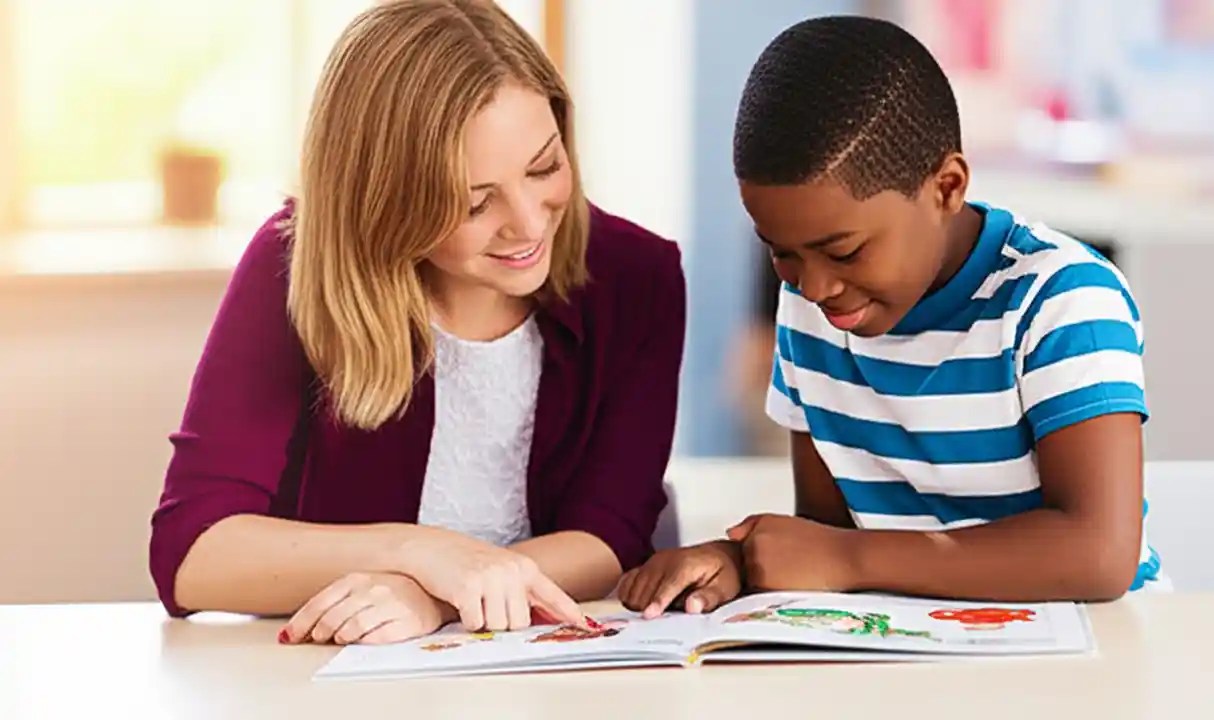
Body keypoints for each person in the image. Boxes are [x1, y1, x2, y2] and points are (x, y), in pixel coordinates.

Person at [148, 0, 686, 646]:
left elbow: (610, 535)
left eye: (544, 166)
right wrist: (419, 553)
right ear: (387, 203)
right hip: (327, 677)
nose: (528, 223)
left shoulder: (637, 277)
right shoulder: (294, 265)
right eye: (474, 203)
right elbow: (194, 553)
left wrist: (436, 595)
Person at [618, 15, 1161, 617]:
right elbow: (827, 539)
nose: (815, 286)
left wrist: (849, 559)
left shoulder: (1061, 299)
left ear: (946, 188)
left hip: (1097, 646)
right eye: (782, 252)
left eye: (845, 251)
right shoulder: (811, 308)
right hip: (913, 643)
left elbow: (1100, 554)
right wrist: (741, 562)